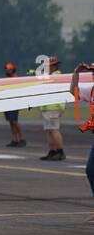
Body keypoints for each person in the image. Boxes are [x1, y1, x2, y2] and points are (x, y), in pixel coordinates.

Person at [70, 63, 93, 219]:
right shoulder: (92, 90)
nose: (93, 74)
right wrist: (76, 73)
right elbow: (73, 92)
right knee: (90, 171)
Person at [35, 57, 65, 161]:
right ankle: (52, 151)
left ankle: (60, 151)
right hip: (47, 106)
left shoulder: (57, 76)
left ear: (53, 66)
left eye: (48, 66)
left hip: (54, 106)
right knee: (49, 130)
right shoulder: (50, 76)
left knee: (53, 130)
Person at [2, 61, 25, 147]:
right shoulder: (8, 79)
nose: (7, 71)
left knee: (14, 121)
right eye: (6, 70)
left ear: (13, 70)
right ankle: (15, 139)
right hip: (8, 103)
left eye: (9, 70)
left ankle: (21, 139)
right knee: (11, 122)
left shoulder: (15, 78)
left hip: (14, 103)